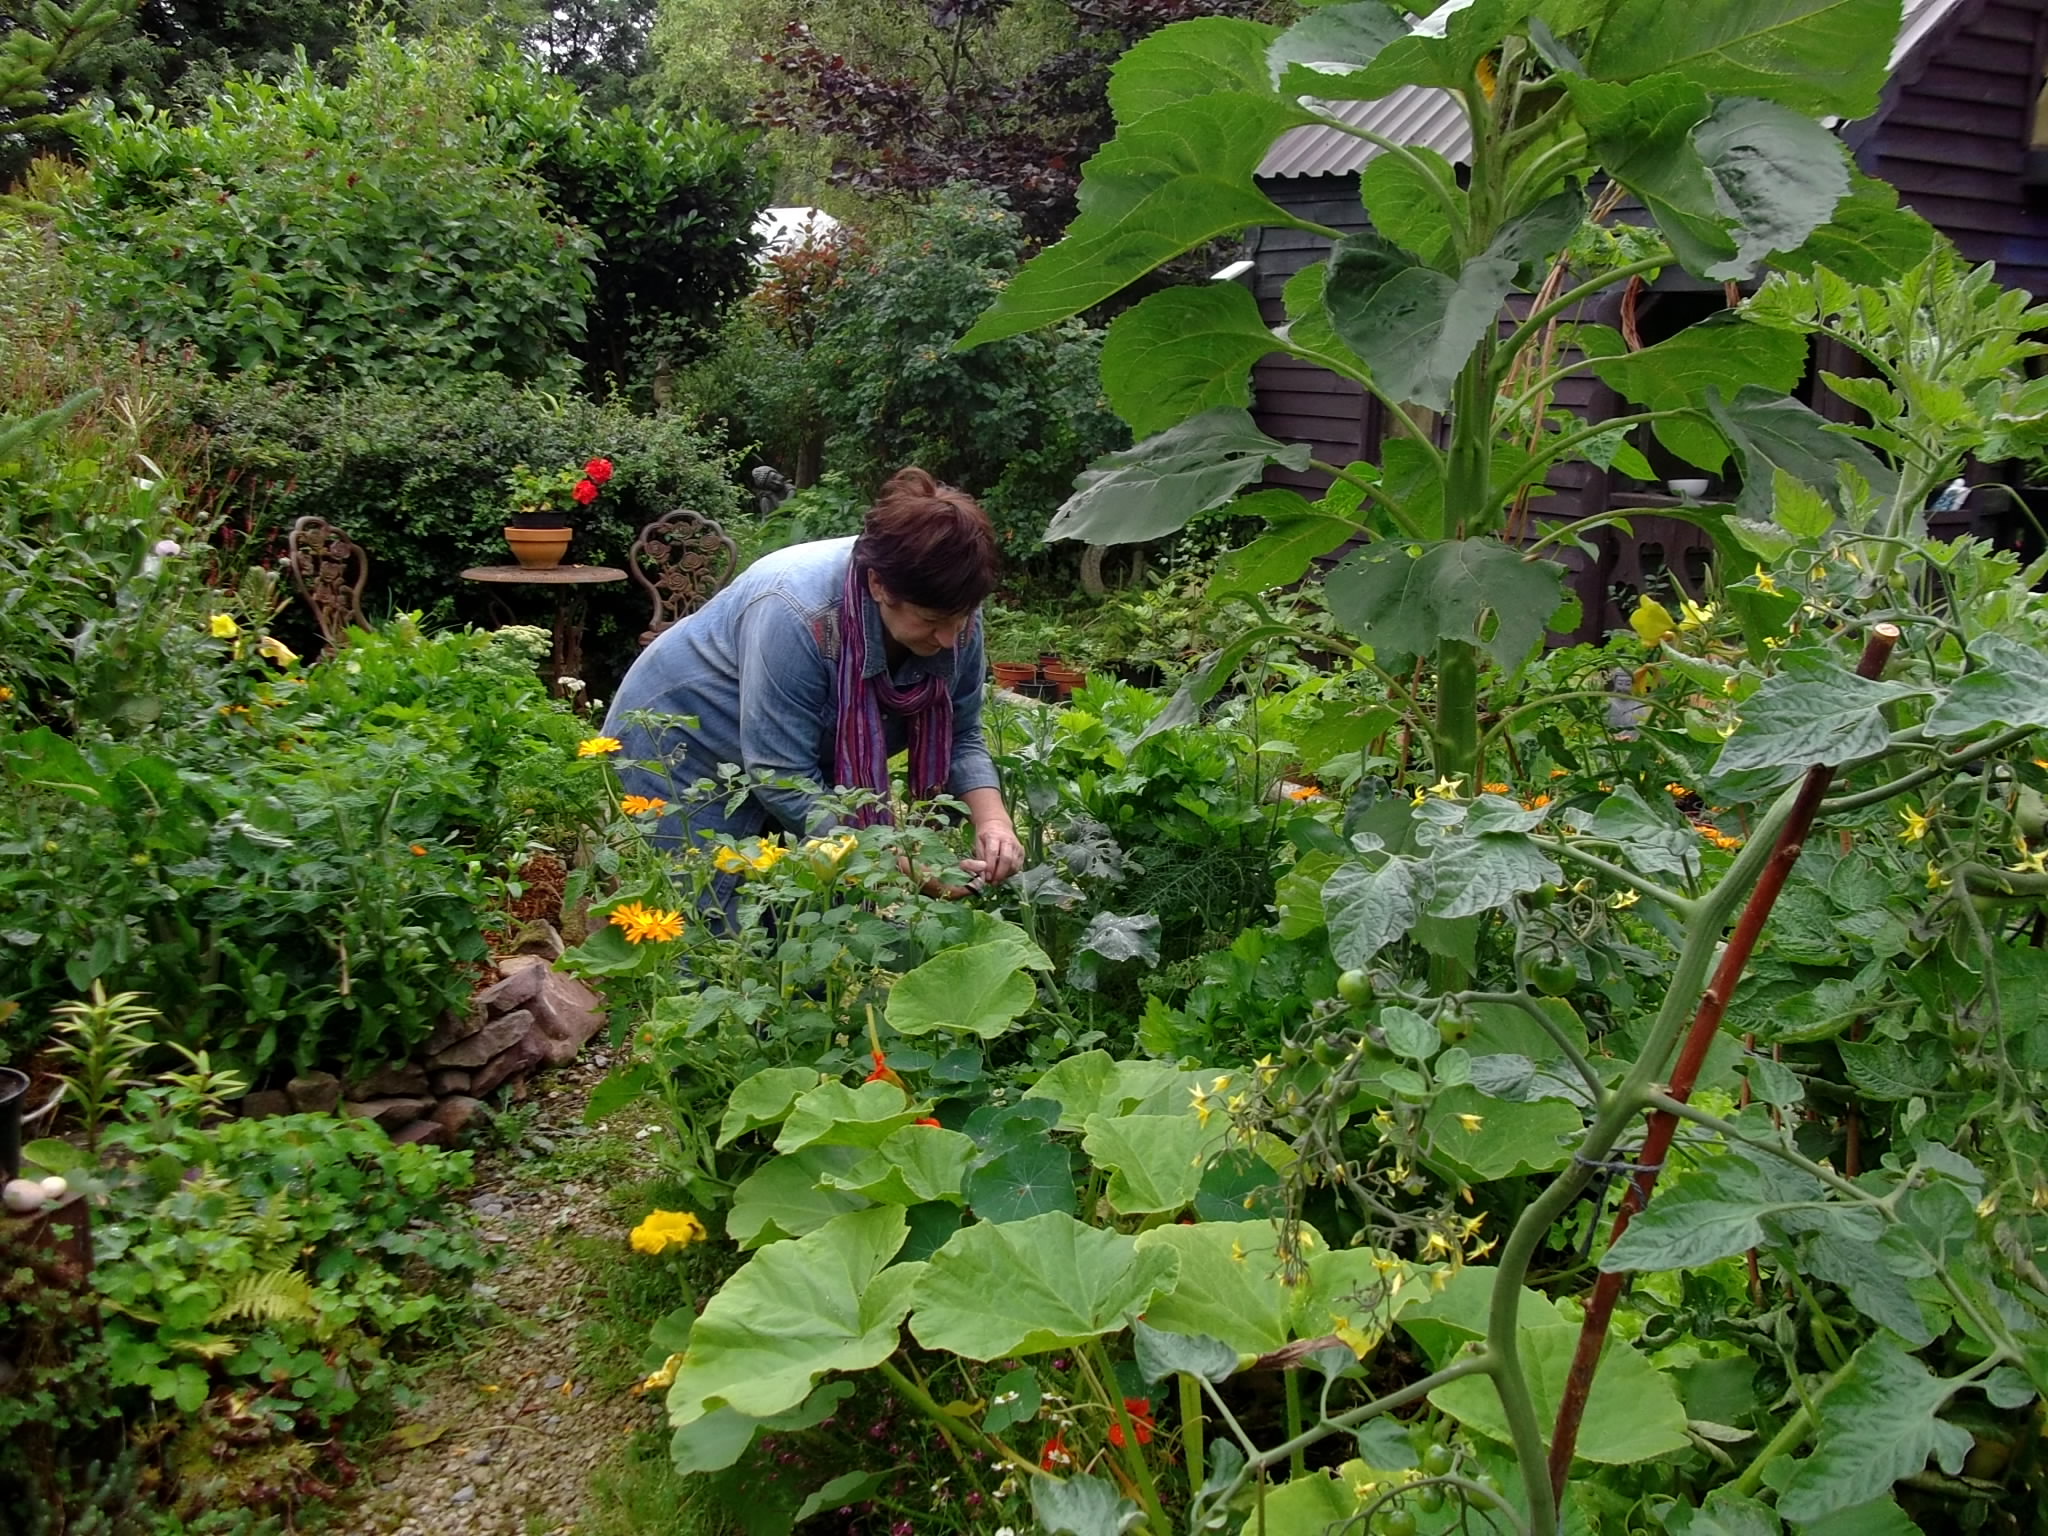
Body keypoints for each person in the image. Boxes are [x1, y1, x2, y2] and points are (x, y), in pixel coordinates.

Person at [603, 467, 1025, 908]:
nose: (949, 639)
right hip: (684, 748)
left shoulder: (951, 610)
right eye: (933, 622)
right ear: (879, 585)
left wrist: (993, 822)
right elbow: (781, 777)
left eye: (962, 619)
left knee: (808, 923)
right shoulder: (799, 612)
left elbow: (962, 734)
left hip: (794, 763)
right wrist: (902, 865)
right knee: (706, 923)